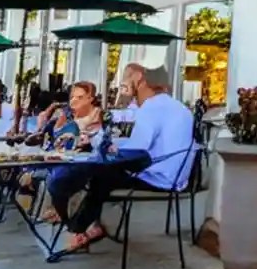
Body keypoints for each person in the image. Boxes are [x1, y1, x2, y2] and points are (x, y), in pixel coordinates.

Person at [64, 64, 196, 250]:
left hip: (157, 177)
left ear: (139, 78)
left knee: (98, 175)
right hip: (177, 176)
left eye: (126, 78)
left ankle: (77, 230)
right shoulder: (177, 107)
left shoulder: (151, 108)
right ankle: (90, 226)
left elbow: (137, 150)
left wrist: (107, 148)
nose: (123, 84)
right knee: (102, 175)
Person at [40, 82, 105, 225]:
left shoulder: (97, 114)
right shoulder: (66, 115)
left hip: (83, 162)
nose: (74, 101)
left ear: (90, 98)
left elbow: (96, 139)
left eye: (79, 97)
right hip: (61, 157)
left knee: (56, 179)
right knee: (38, 172)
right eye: (72, 97)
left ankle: (65, 217)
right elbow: (53, 134)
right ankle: (60, 212)